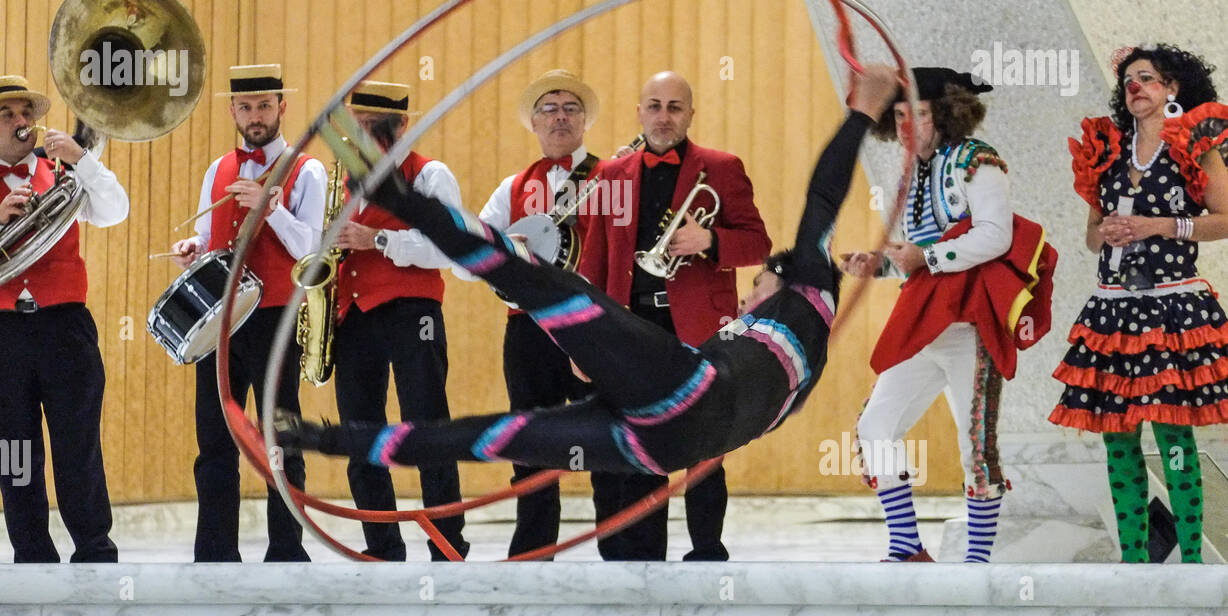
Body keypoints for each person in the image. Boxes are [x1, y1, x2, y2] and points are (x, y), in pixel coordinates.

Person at [276, 66, 903, 541]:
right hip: (658, 442)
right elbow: (820, 207)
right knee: (492, 435)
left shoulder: (806, 286)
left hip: (683, 392)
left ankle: (394, 195)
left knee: (539, 289)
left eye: (756, 286)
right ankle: (333, 440)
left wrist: (861, 111)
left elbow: (824, 192)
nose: (749, 295)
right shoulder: (804, 333)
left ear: (779, 282)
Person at [843, 67, 1055, 563]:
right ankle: (906, 547)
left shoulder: (978, 161)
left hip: (971, 329)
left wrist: (927, 258)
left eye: (915, 113)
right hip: (926, 325)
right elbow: (920, 258)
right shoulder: (912, 170)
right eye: (896, 115)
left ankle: (976, 562)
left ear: (945, 114)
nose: (904, 126)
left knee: (975, 444)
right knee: (875, 426)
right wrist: (878, 266)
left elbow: (994, 236)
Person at [578, 71, 771, 561]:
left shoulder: (722, 168)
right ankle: (645, 560)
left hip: (700, 328)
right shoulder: (609, 175)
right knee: (643, 442)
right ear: (639, 112)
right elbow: (593, 264)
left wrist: (710, 241)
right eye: (655, 106)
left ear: (690, 113)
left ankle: (708, 552)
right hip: (633, 327)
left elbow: (759, 243)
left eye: (675, 107)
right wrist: (583, 341)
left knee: (706, 447)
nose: (664, 116)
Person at [0, 75, 129, 562]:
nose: (22, 122)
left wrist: (83, 160)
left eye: (27, 113)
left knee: (77, 441)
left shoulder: (64, 174)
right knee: (15, 450)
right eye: (8, 114)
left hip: (65, 327)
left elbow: (115, 211)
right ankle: (32, 554)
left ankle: (94, 550)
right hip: (0, 334)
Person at [1053, 44, 1228, 563]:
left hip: (1172, 306)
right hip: (1112, 308)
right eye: (1129, 79)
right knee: (1117, 434)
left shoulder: (1195, 146)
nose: (1135, 86)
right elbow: (1089, 236)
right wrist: (1104, 233)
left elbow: (1226, 217)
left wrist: (1158, 226)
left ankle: (1191, 561)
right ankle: (1134, 560)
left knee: (1174, 431)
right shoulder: (1105, 149)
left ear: (1172, 88)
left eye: (1147, 77)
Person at [170, 64, 327, 562]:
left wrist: (270, 207)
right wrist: (193, 249)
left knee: (280, 439)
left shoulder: (308, 170)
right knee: (214, 442)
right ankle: (215, 555)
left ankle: (286, 551)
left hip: (276, 319)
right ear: (231, 111)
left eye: (264, 106)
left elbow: (313, 249)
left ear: (283, 107)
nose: (254, 116)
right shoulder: (216, 169)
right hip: (220, 320)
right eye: (245, 107)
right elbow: (213, 241)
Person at [331, 81, 470, 561]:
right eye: (358, 127)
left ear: (402, 126)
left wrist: (380, 241)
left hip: (414, 312)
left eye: (374, 127)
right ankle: (382, 548)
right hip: (353, 314)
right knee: (360, 434)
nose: (362, 136)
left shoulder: (429, 173)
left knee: (427, 429)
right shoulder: (344, 178)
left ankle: (447, 545)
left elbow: (454, 250)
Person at [479, 70, 603, 557]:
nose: (559, 117)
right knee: (531, 441)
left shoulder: (611, 177)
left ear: (584, 121)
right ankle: (533, 547)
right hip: (528, 331)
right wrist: (508, 259)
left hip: (593, 327)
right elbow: (472, 254)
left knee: (605, 436)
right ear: (533, 122)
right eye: (549, 109)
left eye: (570, 108)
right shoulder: (511, 187)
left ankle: (620, 545)